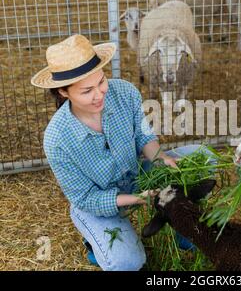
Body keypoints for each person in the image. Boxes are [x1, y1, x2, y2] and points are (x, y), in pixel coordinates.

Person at [31, 34, 204, 271]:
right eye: (86, 91)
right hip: (99, 200)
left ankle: (183, 227)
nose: (100, 94)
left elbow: (145, 137)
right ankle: (95, 241)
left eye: (101, 81)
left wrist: (160, 157)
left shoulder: (124, 92)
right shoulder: (57, 139)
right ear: (63, 92)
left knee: (201, 158)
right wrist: (141, 199)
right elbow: (85, 198)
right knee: (128, 262)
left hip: (137, 175)